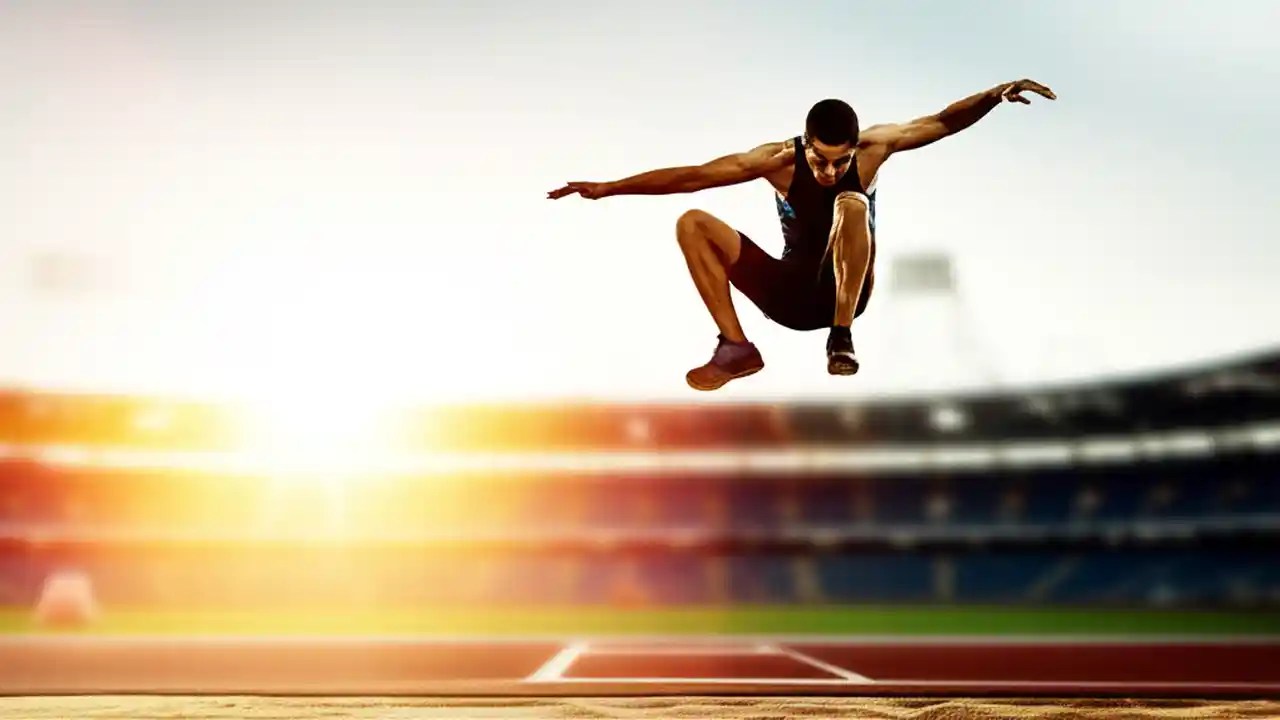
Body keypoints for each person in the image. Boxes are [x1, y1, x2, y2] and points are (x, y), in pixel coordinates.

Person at [548, 79, 1055, 391]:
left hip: (845, 294)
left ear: (856, 146)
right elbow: (693, 176)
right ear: (804, 142)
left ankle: (841, 339)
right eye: (820, 159)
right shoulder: (776, 161)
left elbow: (943, 121)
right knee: (693, 223)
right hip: (790, 295)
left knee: (852, 202)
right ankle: (736, 347)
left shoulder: (877, 149)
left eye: (841, 159)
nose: (831, 169)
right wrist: (610, 188)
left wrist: (994, 94)